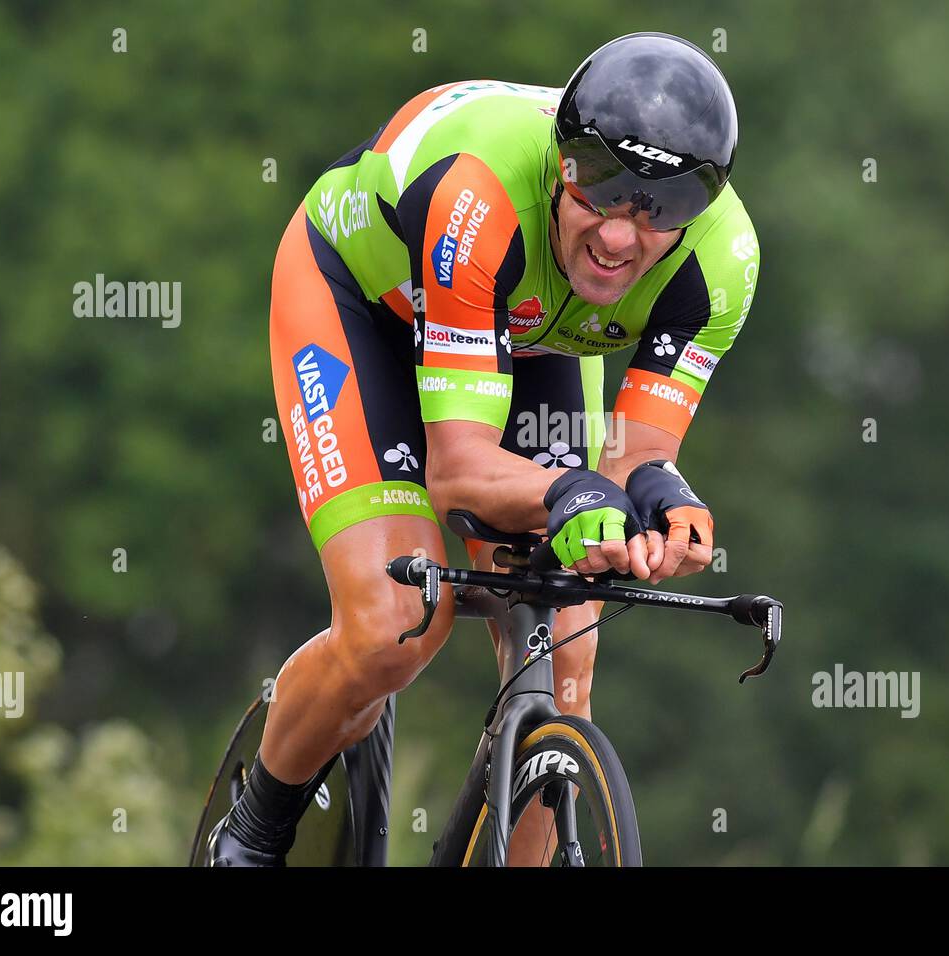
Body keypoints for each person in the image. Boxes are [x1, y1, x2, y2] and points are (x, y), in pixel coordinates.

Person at [209, 31, 759, 865]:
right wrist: (568, 494)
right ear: (562, 164)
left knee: (567, 655)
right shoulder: (482, 193)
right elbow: (461, 472)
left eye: (664, 207)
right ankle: (249, 837)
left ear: (704, 205)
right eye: (602, 190)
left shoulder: (724, 265)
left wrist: (661, 500)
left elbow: (635, 453)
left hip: (525, 344)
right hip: (363, 307)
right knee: (396, 623)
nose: (621, 237)